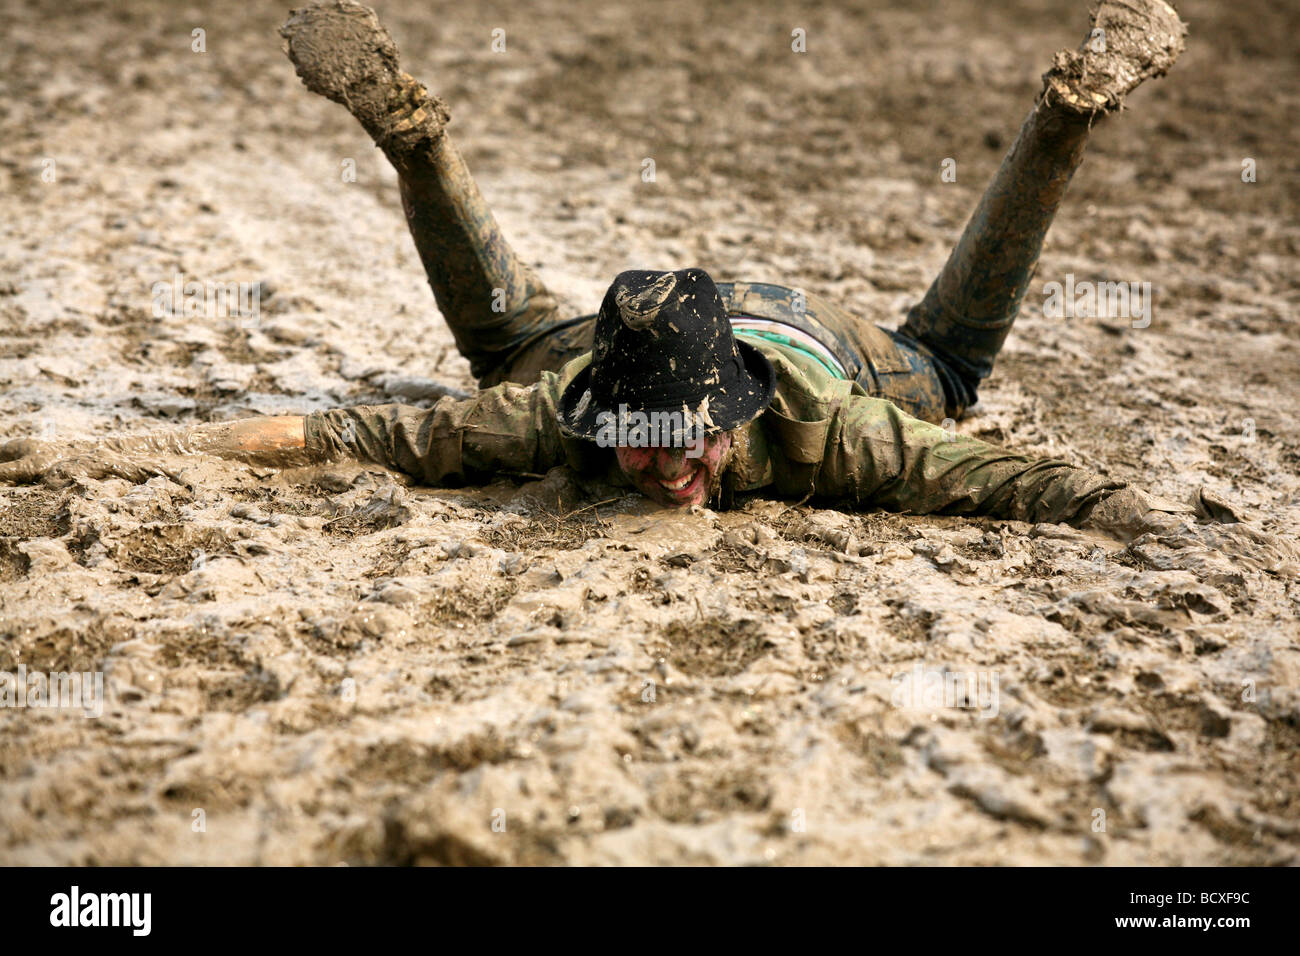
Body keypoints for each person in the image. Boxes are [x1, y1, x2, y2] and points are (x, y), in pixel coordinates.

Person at [8, 0, 1289, 565]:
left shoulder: (830, 436)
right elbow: (365, 433)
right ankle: (411, 129)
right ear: (602, 423)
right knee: (511, 342)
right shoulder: (568, 410)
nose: (667, 472)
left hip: (825, 344)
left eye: (685, 447)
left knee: (948, 370)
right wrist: (132, 449)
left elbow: (1003, 478)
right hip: (602, 333)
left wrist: (1129, 516)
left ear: (732, 419)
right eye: (638, 450)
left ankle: (1063, 117)